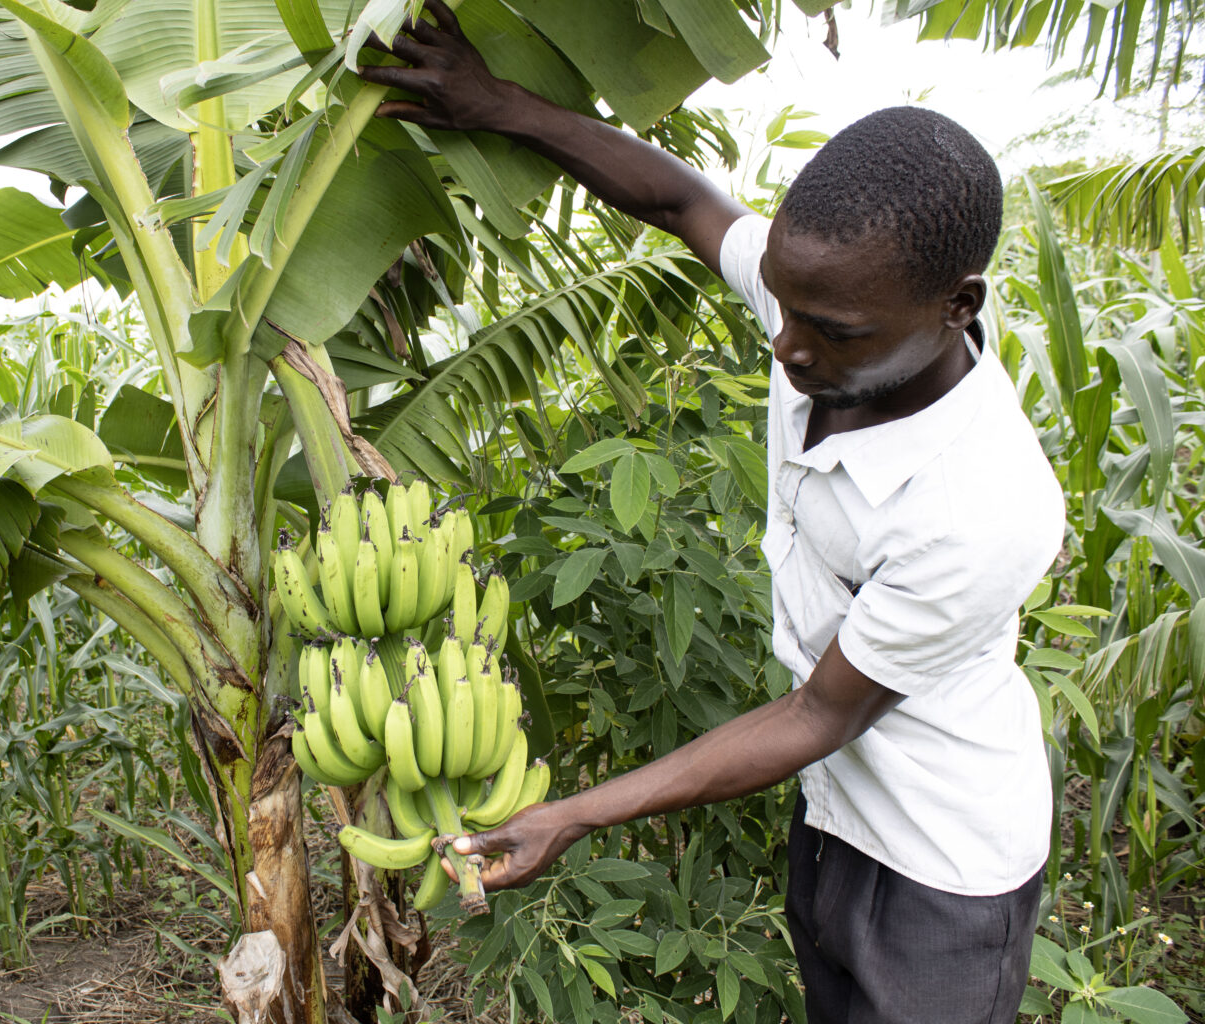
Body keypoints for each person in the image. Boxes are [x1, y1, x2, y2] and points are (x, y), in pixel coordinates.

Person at [357, 5, 1067, 1022]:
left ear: (958, 306)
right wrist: (501, 105)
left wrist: (575, 813)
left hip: (942, 865)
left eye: (828, 330)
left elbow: (818, 711)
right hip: (835, 813)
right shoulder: (829, 300)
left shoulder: (984, 503)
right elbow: (680, 200)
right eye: (781, 304)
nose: (787, 349)